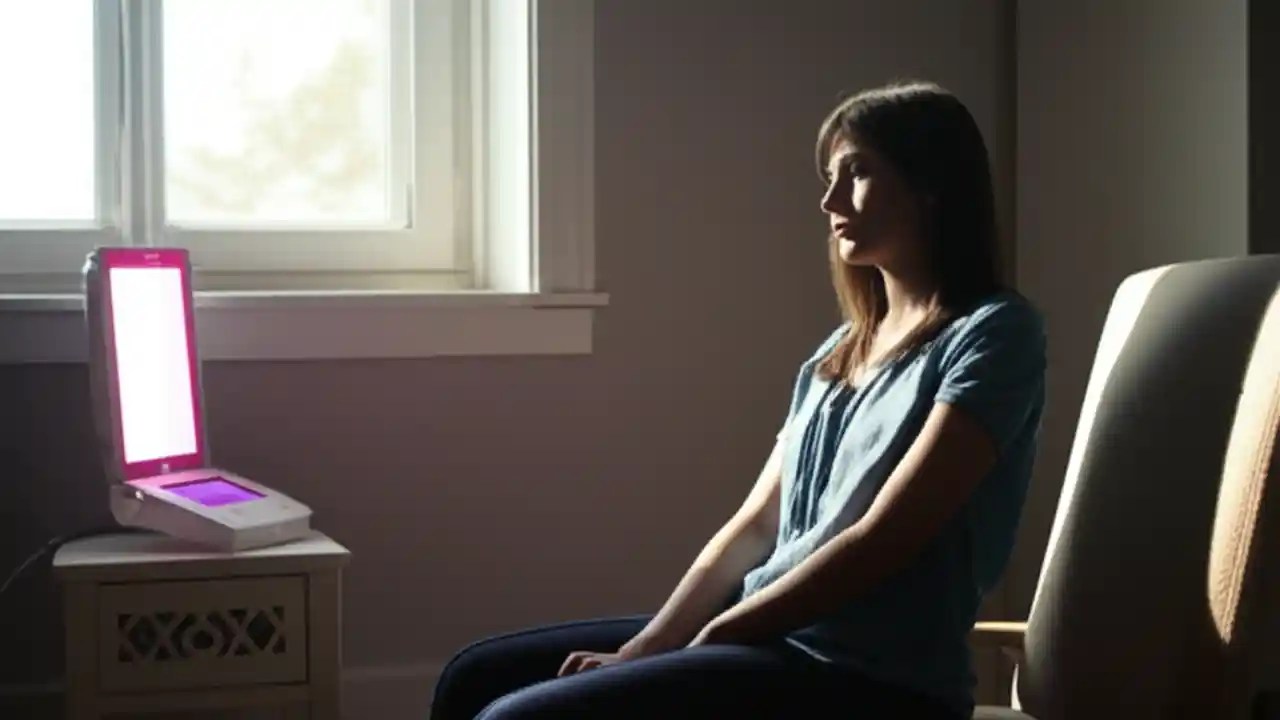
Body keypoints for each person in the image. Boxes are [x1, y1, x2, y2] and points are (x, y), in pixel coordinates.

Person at [429, 79, 1047, 720]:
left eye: (857, 172)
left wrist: (716, 640)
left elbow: (884, 538)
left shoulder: (995, 335)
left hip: (869, 680)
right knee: (475, 678)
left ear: (931, 185)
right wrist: (654, 644)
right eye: (830, 176)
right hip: (770, 641)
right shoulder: (837, 352)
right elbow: (756, 526)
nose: (830, 199)